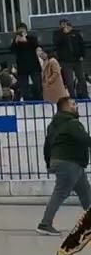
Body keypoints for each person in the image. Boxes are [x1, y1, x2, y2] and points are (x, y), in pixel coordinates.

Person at [37, 96, 91, 236]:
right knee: (60, 193)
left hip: (68, 163)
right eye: (73, 104)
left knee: (86, 194)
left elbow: (47, 145)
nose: (76, 106)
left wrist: (49, 162)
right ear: (65, 107)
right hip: (69, 162)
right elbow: (86, 140)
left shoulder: (53, 125)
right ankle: (45, 224)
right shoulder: (73, 123)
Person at [53, 19, 87, 98]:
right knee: (69, 80)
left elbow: (82, 44)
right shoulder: (57, 34)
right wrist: (64, 34)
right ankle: (72, 96)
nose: (65, 26)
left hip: (77, 60)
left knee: (81, 77)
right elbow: (56, 44)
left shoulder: (76, 33)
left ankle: (84, 95)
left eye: (66, 24)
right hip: (65, 61)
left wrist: (82, 55)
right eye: (63, 24)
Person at [10, 23, 41, 101]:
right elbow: (12, 50)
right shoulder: (16, 40)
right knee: (24, 86)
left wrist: (25, 39)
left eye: (22, 29)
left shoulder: (32, 38)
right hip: (22, 66)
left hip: (33, 64)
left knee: (38, 84)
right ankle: (27, 100)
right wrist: (16, 42)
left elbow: (35, 45)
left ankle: (39, 99)